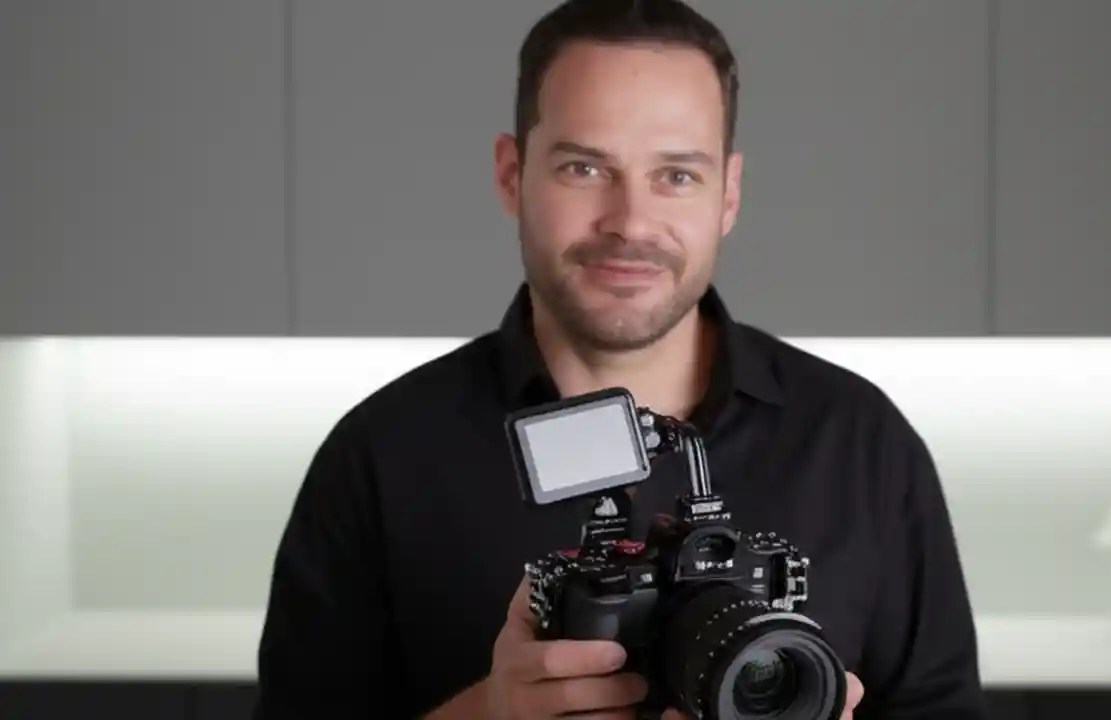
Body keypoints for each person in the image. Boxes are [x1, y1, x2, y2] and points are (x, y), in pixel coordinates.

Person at [252, 0, 987, 718]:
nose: (631, 222)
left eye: (676, 175)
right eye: (583, 168)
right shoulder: (381, 455)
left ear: (728, 193)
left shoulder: (861, 442)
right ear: (512, 174)